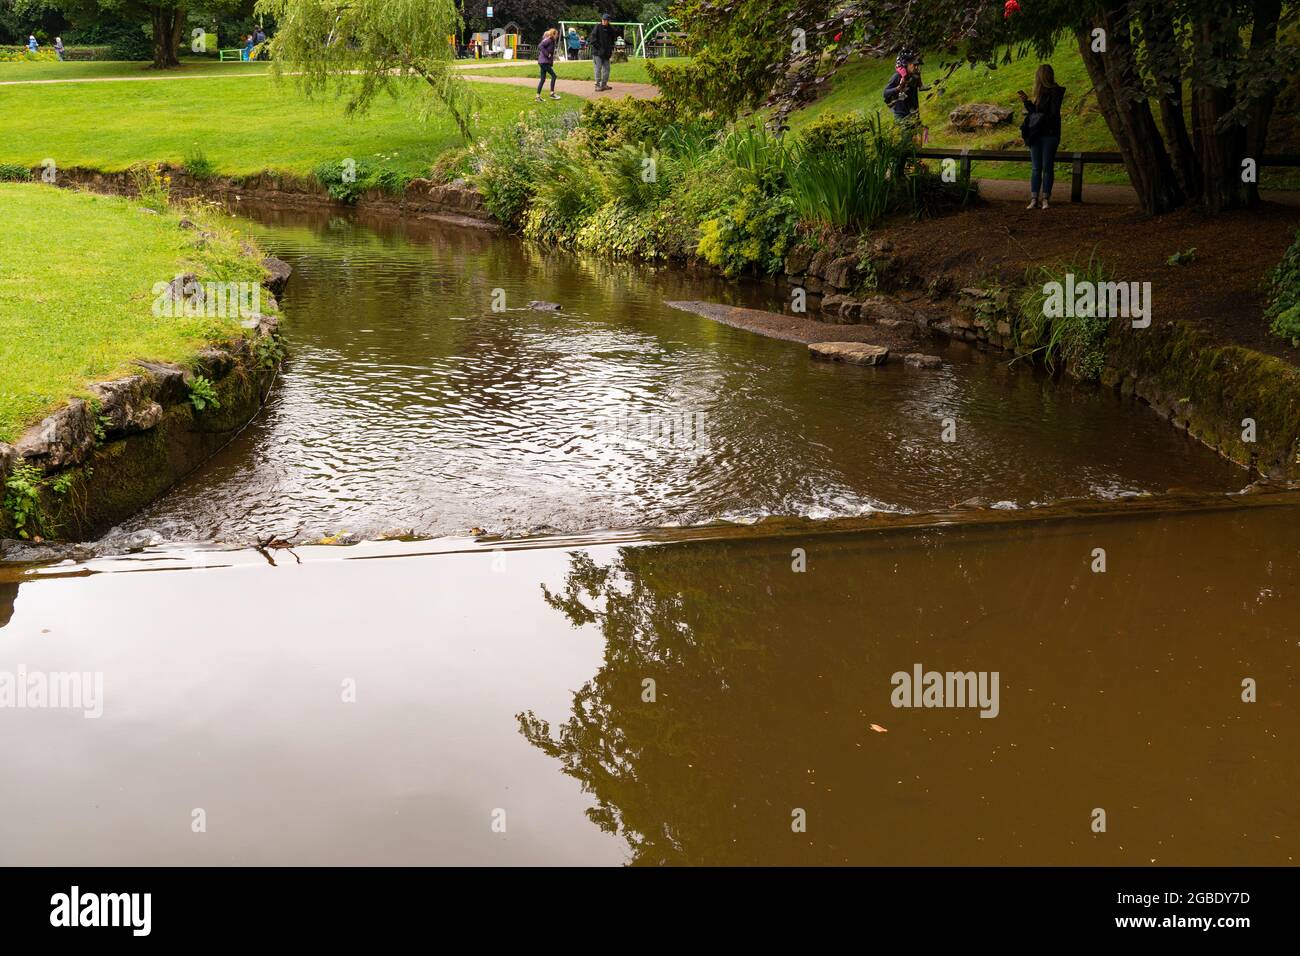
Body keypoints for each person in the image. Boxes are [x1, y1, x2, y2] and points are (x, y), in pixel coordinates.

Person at [1018, 64, 1065, 210]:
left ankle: (1045, 198)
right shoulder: (1039, 94)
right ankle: (1034, 199)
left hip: (1049, 134)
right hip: (1037, 135)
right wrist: (1026, 102)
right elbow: (1036, 114)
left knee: (1046, 167)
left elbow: (1052, 115)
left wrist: (1038, 116)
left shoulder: (1055, 92)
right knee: (1036, 168)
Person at [589, 13, 616, 92]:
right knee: (598, 68)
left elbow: (612, 40)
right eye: (603, 20)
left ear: (608, 21)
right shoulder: (597, 27)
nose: (604, 21)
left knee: (607, 69)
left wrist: (610, 49)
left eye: (606, 20)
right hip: (597, 53)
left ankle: (604, 84)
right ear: (601, 20)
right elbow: (592, 40)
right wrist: (599, 48)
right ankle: (597, 85)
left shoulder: (611, 29)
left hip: (606, 53)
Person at [535, 27, 561, 102]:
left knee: (542, 79)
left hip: (543, 62)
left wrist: (551, 56)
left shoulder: (551, 40)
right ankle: (552, 93)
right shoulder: (549, 40)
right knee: (554, 76)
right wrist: (547, 54)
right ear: (553, 34)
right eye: (557, 34)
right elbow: (540, 46)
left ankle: (537, 97)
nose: (557, 35)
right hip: (544, 62)